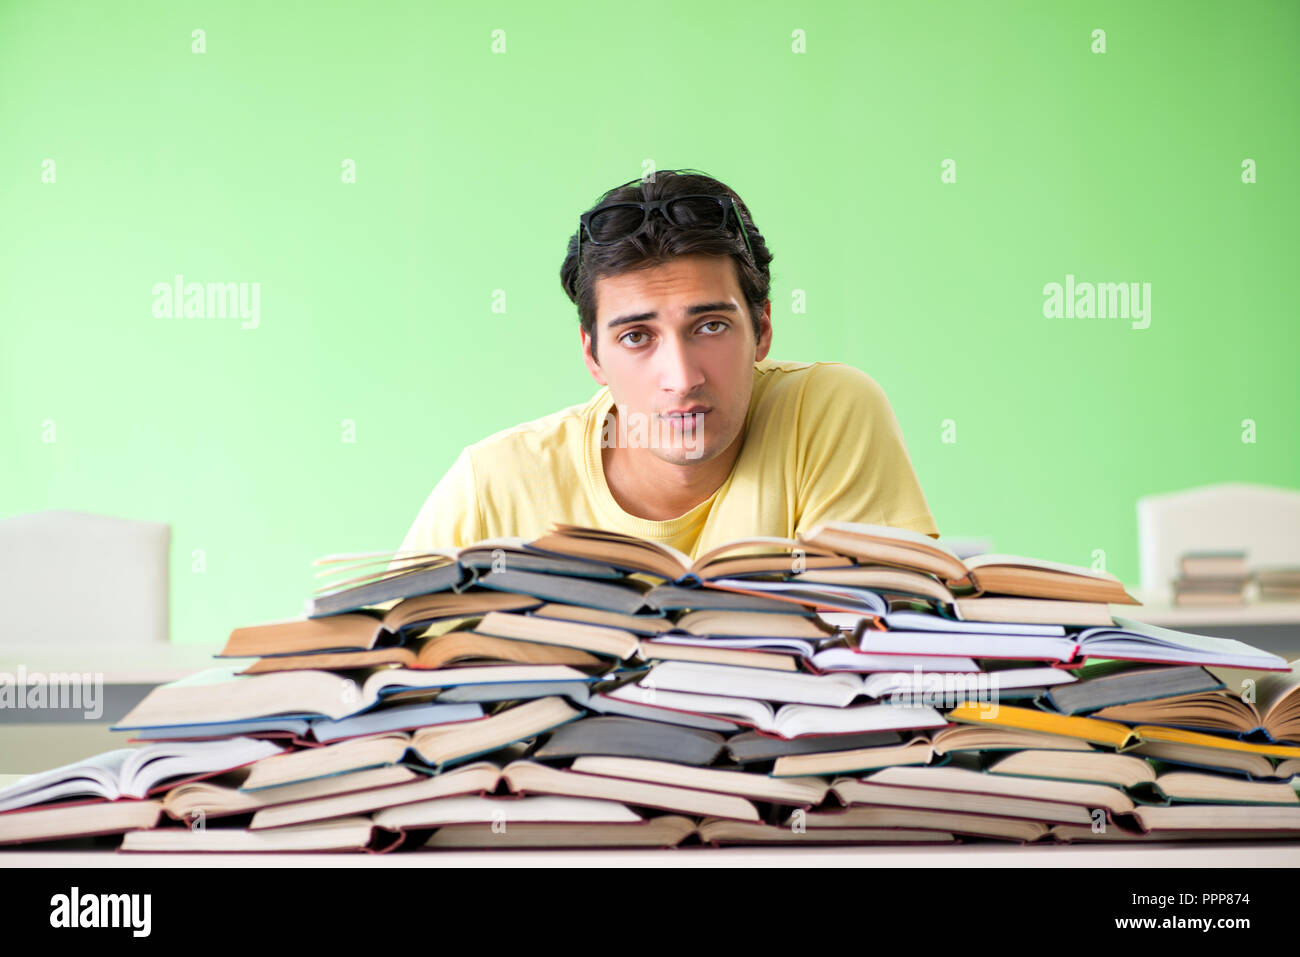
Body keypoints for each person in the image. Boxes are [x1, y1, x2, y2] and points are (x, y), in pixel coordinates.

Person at [392, 169, 938, 567]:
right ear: (592, 356)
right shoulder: (493, 485)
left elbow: (885, 654)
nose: (682, 378)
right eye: (636, 337)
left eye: (710, 327)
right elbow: (374, 678)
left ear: (763, 330)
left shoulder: (827, 411)